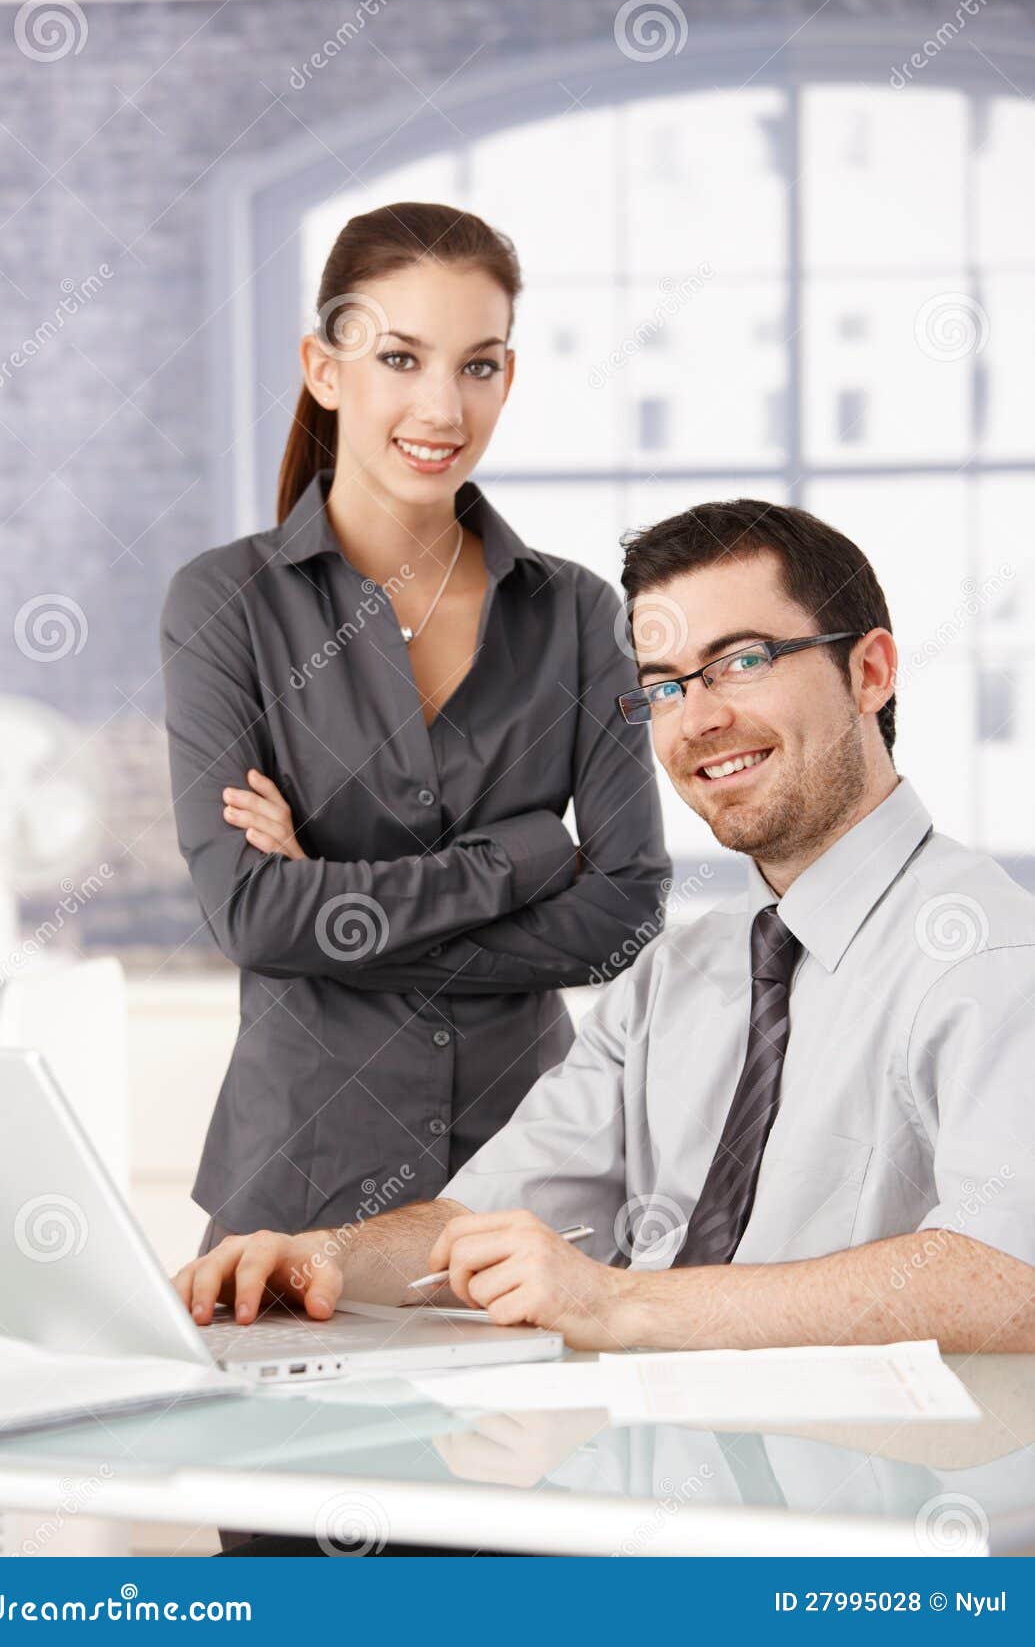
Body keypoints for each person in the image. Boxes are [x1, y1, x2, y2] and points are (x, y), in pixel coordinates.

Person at [175, 498, 1035, 1362]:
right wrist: (325, 1257)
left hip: (866, 1488)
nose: (697, 720)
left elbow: (1014, 1278)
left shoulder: (988, 957)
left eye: (740, 661)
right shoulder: (679, 975)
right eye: (664, 685)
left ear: (869, 672)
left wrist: (625, 1303)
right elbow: (485, 1219)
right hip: (650, 1466)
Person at [159, 202, 669, 1268]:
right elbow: (251, 914)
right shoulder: (228, 604)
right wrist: (518, 859)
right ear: (324, 367)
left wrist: (336, 909)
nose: (442, 406)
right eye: (400, 357)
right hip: (291, 1188)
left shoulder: (578, 615)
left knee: (553, 1443)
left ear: (507, 378)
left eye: (477, 366)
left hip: (529, 1187)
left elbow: (622, 914)